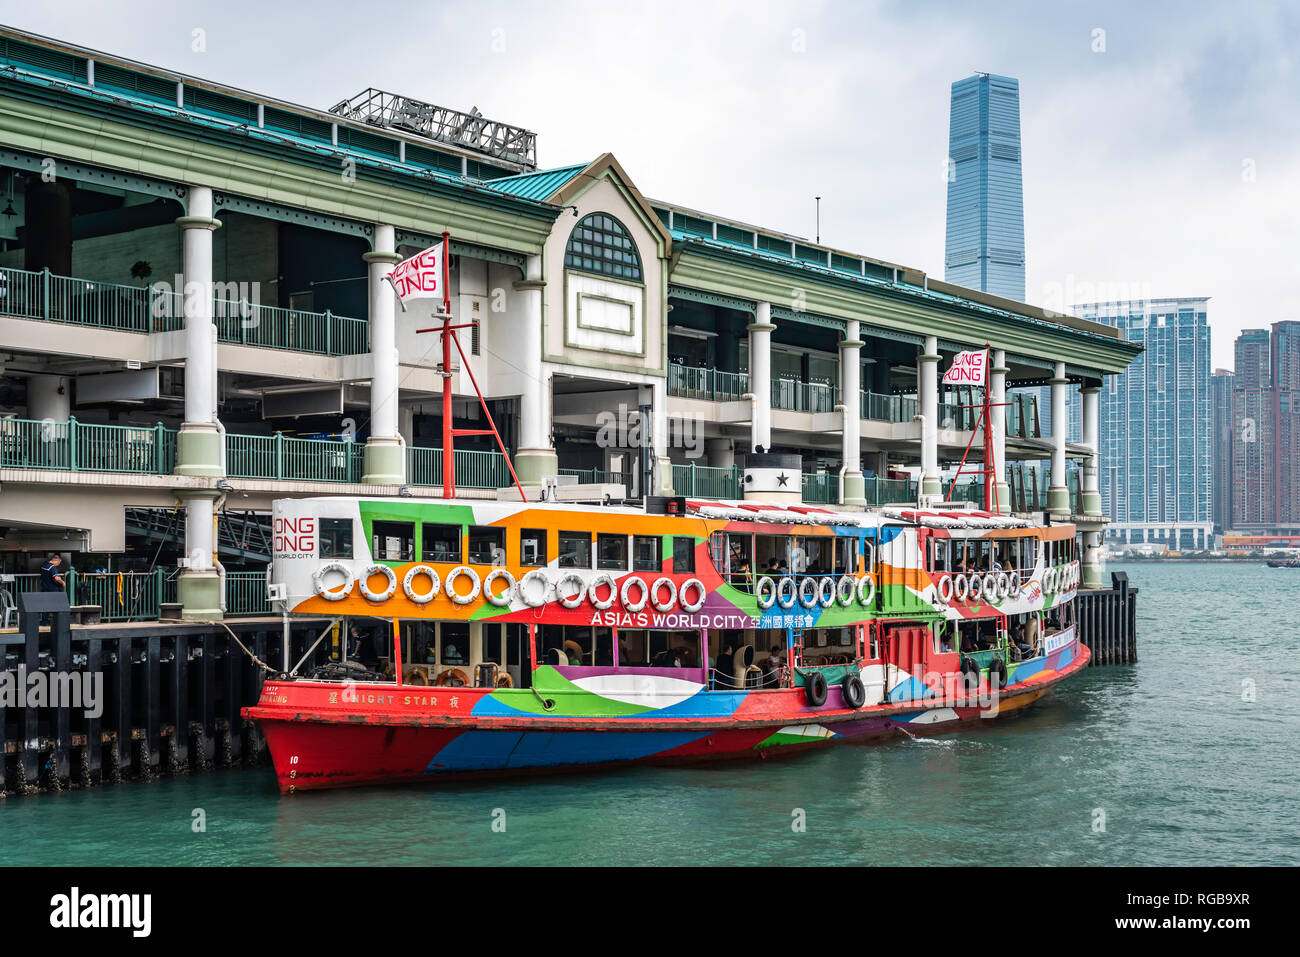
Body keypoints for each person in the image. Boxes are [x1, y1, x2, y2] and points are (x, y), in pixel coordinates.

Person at [39, 553, 66, 626]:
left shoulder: (44, 565)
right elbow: (56, 578)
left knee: (45, 605)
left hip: (44, 587)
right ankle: (56, 621)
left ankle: (45, 621)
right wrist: (62, 582)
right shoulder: (52, 567)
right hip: (52, 589)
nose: (58, 564)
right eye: (59, 563)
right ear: (57, 560)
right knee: (56, 605)